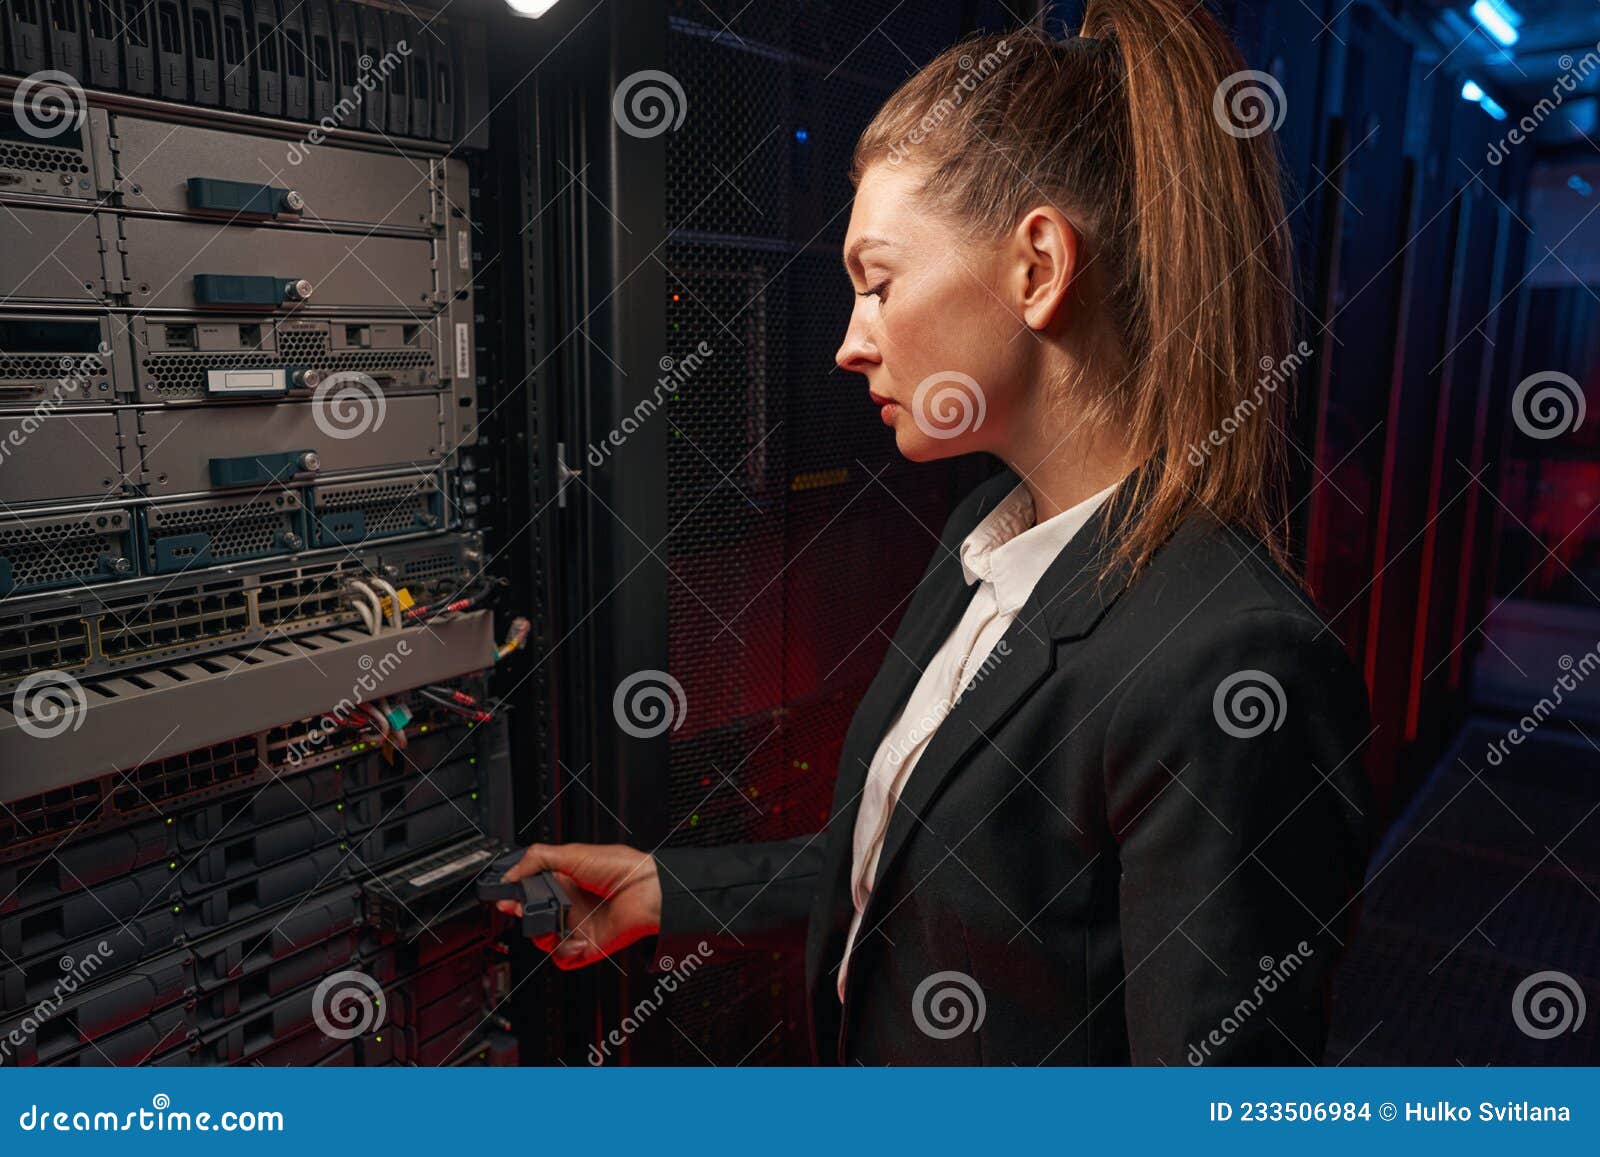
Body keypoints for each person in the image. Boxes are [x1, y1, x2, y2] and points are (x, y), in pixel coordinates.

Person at [499, 0, 1373, 1065]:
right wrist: (659, 889)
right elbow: (922, 865)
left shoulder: (1225, 657)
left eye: (878, 281)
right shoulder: (989, 538)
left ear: (1038, 267)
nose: (849, 345)